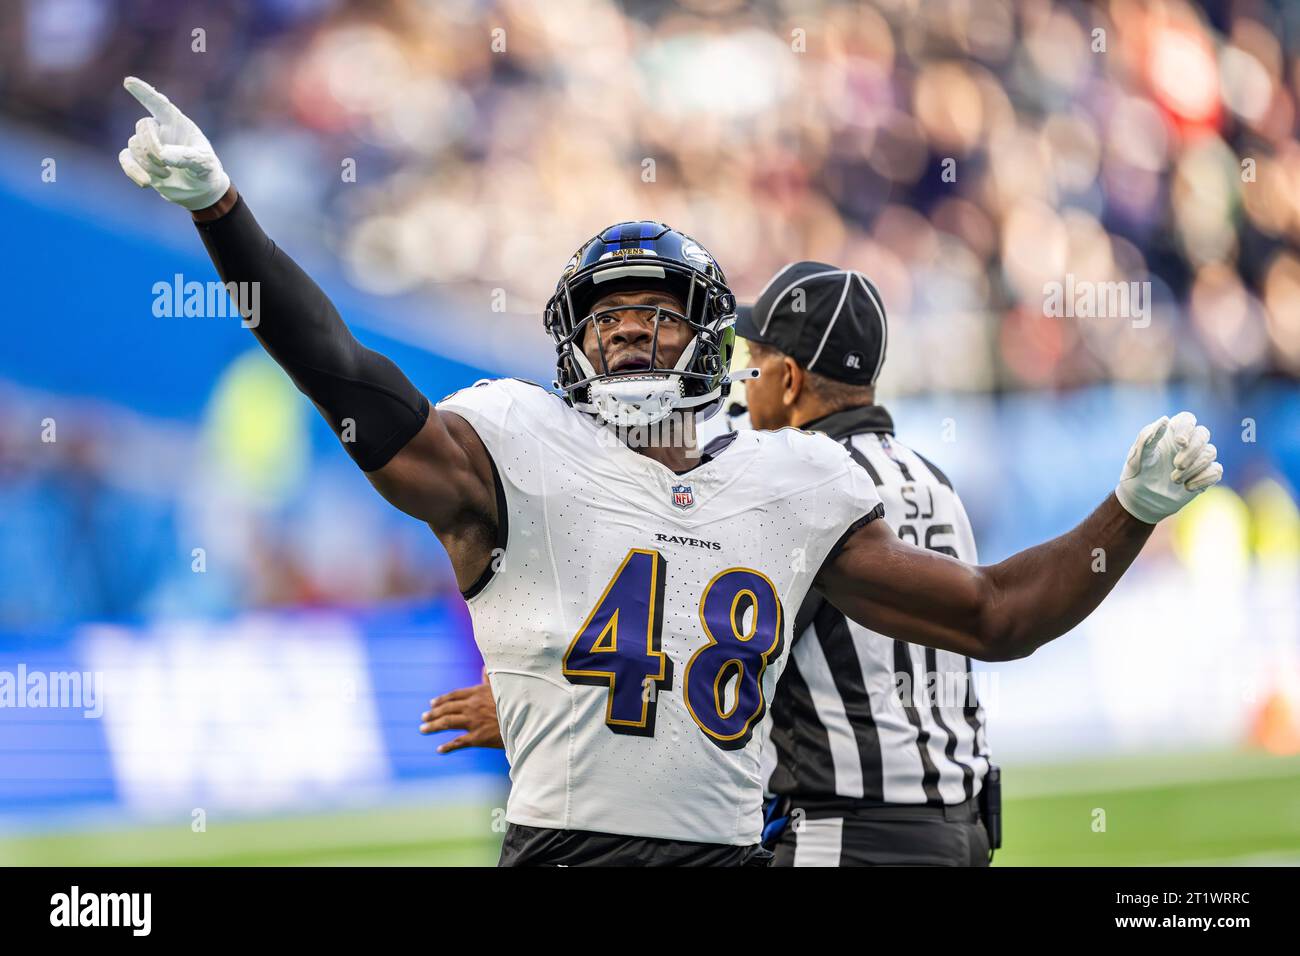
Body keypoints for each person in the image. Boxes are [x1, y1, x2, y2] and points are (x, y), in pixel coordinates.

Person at [120, 78, 1224, 866]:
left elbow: (993, 615)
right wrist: (222, 213)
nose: (634, 333)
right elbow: (344, 372)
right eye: (609, 318)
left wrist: (1126, 513)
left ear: (712, 340)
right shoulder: (512, 443)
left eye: (659, 313)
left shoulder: (789, 481)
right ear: (570, 342)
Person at [424, 262, 995, 866]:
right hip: (960, 815)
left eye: (757, 358)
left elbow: (710, 637)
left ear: (791, 379)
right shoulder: (931, 480)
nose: (745, 380)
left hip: (840, 825)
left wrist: (569, 700)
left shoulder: (806, 488)